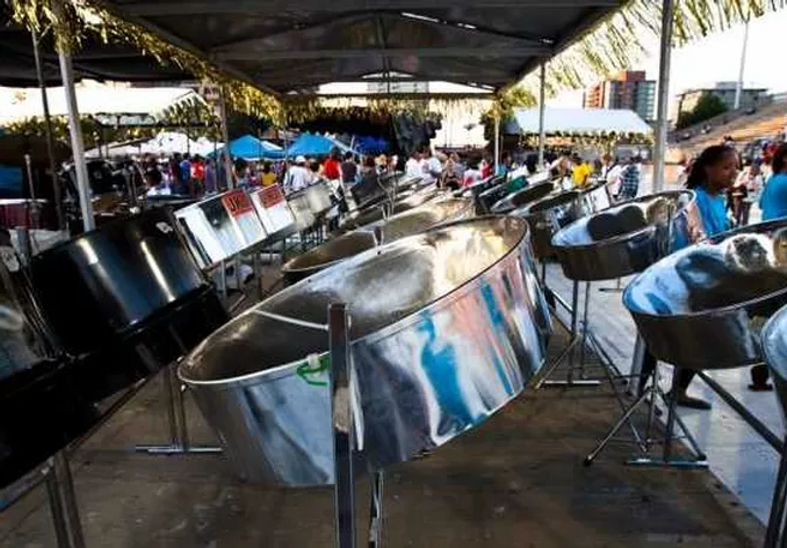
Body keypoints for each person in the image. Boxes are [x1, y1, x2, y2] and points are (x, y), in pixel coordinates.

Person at [640, 144, 739, 409]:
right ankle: (638, 389)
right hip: (688, 278)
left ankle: (678, 390)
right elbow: (694, 241)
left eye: (736, 167)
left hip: (711, 278)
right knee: (663, 336)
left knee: (702, 340)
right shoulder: (694, 200)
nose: (733, 173)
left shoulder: (719, 199)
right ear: (708, 169)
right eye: (726, 167)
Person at [760, 143, 787, 221]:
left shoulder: (771, 179)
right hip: (781, 225)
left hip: (767, 225)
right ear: (785, 158)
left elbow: (761, 204)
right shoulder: (784, 181)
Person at [733, 161, 764, 226]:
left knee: (745, 213)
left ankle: (743, 225)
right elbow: (736, 183)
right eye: (752, 168)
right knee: (738, 213)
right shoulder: (743, 174)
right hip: (740, 195)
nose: (752, 170)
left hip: (749, 197)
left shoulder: (758, 177)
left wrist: (754, 186)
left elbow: (759, 188)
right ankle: (736, 225)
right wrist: (744, 183)